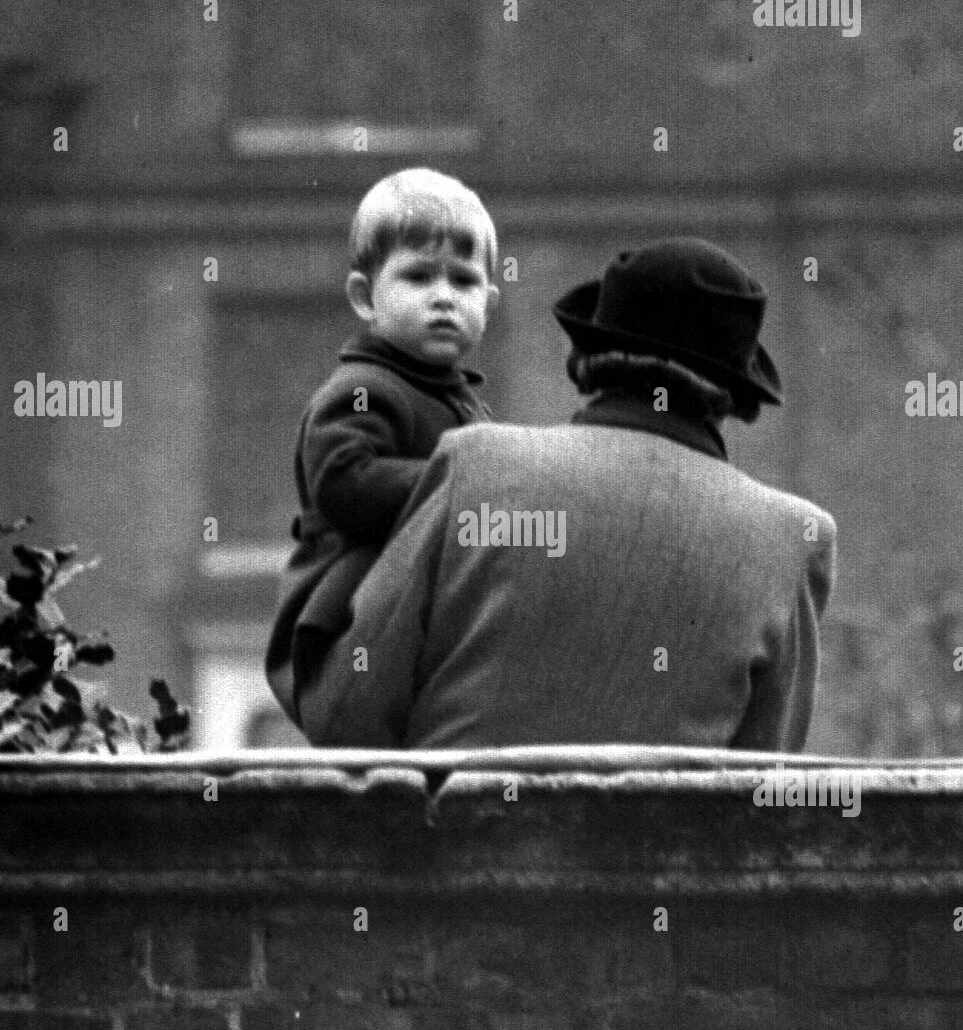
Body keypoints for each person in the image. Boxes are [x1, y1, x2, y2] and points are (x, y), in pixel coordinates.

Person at [295, 237, 838, 751]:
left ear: (590, 357)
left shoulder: (477, 468)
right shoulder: (793, 539)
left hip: (462, 840)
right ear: (733, 396)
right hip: (655, 848)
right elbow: (763, 777)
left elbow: (346, 711)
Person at [264, 167, 499, 728]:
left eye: (463, 283)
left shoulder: (462, 400)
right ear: (365, 298)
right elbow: (344, 483)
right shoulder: (365, 389)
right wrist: (459, 481)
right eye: (418, 277)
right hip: (348, 612)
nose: (444, 297)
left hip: (420, 606)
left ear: (489, 301)